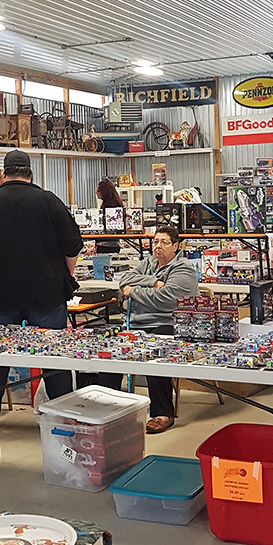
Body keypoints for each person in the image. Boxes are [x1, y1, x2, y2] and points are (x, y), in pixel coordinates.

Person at [0, 149, 83, 432]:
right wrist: (66, 275)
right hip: (46, 293)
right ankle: (66, 419)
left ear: (4, 174)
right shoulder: (48, 201)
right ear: (29, 173)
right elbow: (73, 244)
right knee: (54, 355)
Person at [119, 225, 199, 433]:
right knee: (109, 355)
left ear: (175, 246)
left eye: (164, 242)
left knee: (155, 353)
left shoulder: (183, 269)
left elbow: (168, 300)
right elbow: (123, 281)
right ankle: (110, 411)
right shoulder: (148, 264)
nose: (158, 246)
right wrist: (153, 282)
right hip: (136, 324)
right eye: (155, 242)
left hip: (167, 324)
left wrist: (133, 292)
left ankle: (162, 412)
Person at [94, 179, 123, 279]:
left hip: (106, 244)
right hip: (112, 243)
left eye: (98, 190)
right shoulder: (116, 204)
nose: (96, 193)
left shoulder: (109, 207)